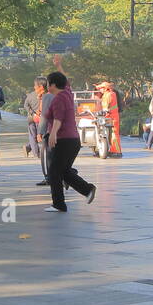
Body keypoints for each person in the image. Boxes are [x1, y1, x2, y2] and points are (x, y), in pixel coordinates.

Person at [41, 71, 97, 213]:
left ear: (53, 85)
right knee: (62, 171)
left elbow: (59, 117)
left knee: (54, 172)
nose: (46, 86)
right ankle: (87, 189)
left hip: (64, 140)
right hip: (73, 140)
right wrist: (59, 66)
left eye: (48, 83)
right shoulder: (67, 93)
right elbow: (65, 82)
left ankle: (59, 204)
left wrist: (53, 133)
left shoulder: (59, 98)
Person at [95, 80, 123, 156]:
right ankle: (113, 150)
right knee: (112, 134)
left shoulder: (107, 95)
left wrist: (102, 112)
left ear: (105, 88)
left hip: (111, 117)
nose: (100, 90)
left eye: (101, 88)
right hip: (113, 116)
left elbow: (105, 108)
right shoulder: (112, 93)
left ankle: (116, 152)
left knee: (114, 134)